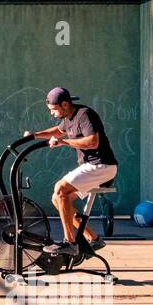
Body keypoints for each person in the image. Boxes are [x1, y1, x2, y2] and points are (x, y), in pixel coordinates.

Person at [23, 87, 118, 253]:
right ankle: (94, 239)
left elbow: (93, 142)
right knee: (58, 199)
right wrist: (34, 135)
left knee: (60, 189)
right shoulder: (68, 118)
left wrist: (64, 142)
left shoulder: (85, 115)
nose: (52, 113)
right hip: (92, 166)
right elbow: (58, 131)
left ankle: (70, 243)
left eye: (54, 110)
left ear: (65, 104)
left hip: (102, 165)